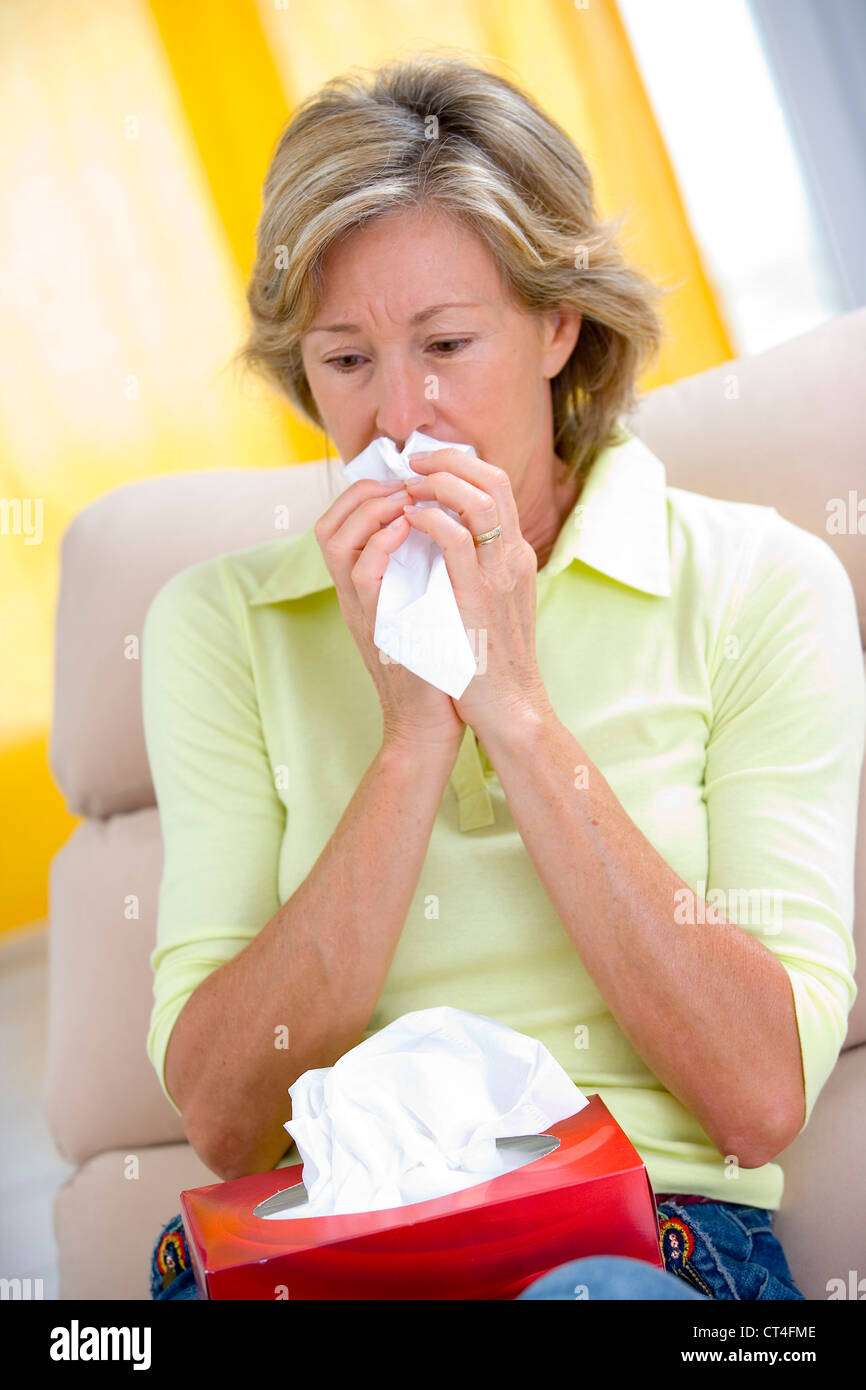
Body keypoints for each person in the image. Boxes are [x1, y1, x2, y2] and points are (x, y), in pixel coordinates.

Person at [143, 53, 865, 1301]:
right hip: (335, 1240)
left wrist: (513, 710)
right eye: (345, 361)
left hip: (648, 1237)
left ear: (556, 324)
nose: (398, 417)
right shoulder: (218, 625)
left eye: (446, 342)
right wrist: (410, 737)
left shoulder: (759, 586)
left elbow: (756, 1095)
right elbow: (221, 1114)